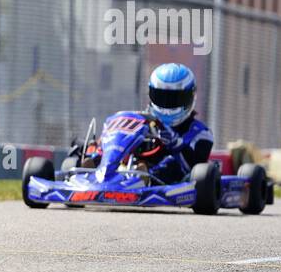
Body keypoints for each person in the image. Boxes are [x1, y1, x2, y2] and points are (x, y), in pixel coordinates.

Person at [70, 62, 213, 183]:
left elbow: (193, 165)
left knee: (171, 162)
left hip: (166, 175)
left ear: (190, 96)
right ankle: (92, 167)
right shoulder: (144, 121)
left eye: (174, 98)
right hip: (130, 162)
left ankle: (144, 178)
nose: (167, 104)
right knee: (106, 144)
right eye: (162, 97)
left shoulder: (200, 133)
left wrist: (174, 142)